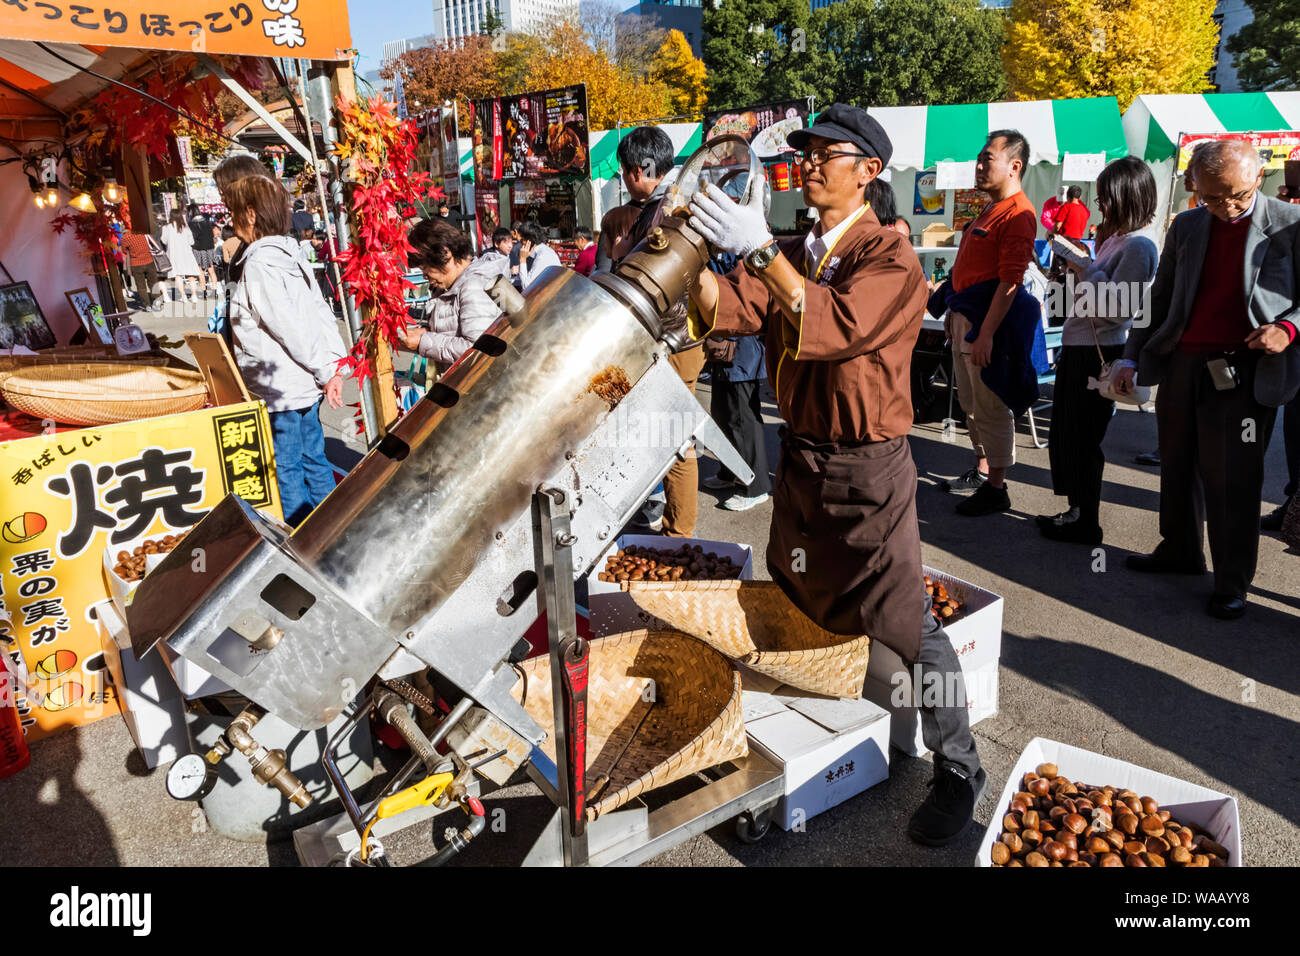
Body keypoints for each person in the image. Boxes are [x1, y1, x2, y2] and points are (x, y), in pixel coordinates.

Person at [686, 103, 984, 845]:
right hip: (805, 460)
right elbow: (729, 307)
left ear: (869, 171)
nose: (810, 162)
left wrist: (758, 250)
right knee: (796, 588)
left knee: (905, 618)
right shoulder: (796, 246)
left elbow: (833, 324)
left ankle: (959, 767)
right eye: (807, 151)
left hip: (867, 468)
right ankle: (810, 722)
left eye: (829, 152)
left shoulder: (891, 258)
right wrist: (686, 249)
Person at [1114, 139, 1300, 619]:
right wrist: (1131, 356)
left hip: (1244, 370)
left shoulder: (1289, 224)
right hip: (1183, 363)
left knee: (1233, 480)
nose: (1224, 207)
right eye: (1210, 196)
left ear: (1259, 176)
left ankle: (1232, 580)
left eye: (1234, 195)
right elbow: (1161, 297)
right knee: (1176, 464)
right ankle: (1179, 550)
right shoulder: (1189, 224)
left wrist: (1288, 327)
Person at [1037, 157, 1160, 545]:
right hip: (1082, 347)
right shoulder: (1118, 240)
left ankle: (1086, 520)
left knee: (1083, 438)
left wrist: (1084, 266)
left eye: (1106, 195)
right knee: (1068, 435)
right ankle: (1077, 512)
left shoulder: (1139, 246)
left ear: (1125, 196)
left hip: (1098, 351)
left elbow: (1119, 307)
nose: (1100, 202)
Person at [224, 175, 346, 526]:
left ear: (249, 214)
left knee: (290, 467)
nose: (232, 221)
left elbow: (290, 327)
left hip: (282, 388)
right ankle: (333, 528)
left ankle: (306, 536)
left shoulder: (260, 263)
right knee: (314, 459)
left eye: (234, 212)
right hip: (304, 382)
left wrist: (328, 371)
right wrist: (333, 368)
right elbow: (318, 313)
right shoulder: (291, 253)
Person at [604, 124, 707, 538]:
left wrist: (621, 253)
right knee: (659, 436)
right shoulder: (663, 204)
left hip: (673, 341)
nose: (626, 180)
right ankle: (665, 522)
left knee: (676, 443)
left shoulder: (673, 208)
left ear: (640, 169)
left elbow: (654, 272)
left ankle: (679, 534)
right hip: (664, 340)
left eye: (627, 171)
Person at [936, 130, 1039, 516]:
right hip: (966, 317)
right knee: (970, 404)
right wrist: (952, 312)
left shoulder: (1019, 213)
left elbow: (1010, 280)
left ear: (1014, 166)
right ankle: (982, 472)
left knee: (990, 405)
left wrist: (986, 334)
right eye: (979, 158)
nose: (979, 166)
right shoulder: (988, 209)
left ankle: (997, 488)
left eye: (987, 159)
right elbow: (969, 272)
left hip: (986, 324)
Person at [701, 252, 770, 511]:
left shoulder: (745, 253)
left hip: (744, 349)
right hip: (726, 348)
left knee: (743, 420)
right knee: (723, 414)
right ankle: (730, 472)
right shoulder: (721, 253)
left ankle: (756, 485)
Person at [402, 217, 502, 373]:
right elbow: (453, 329)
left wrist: (424, 342)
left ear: (444, 253)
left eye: (425, 269)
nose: (425, 277)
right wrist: (426, 332)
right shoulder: (450, 287)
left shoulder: (474, 286)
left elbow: (478, 350)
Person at [160, 209, 202, 303]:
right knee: (191, 276)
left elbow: (164, 240)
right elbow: (192, 242)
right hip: (187, 254)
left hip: (174, 255)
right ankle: (194, 296)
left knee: (178, 275)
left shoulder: (166, 227)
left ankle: (183, 296)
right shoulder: (185, 227)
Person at [122, 228, 161, 311]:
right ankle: (157, 302)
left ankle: (147, 305)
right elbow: (153, 242)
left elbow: (124, 251)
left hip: (136, 264)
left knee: (141, 286)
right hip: (149, 260)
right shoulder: (143, 232)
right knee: (153, 283)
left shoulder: (125, 237)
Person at [517, 221, 562, 292]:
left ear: (529, 241)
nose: (521, 244)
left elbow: (526, 286)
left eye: (522, 240)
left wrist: (522, 259)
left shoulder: (542, 256)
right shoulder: (545, 250)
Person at [188, 203, 219, 295]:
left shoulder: (191, 224)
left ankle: (204, 292)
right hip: (209, 248)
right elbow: (211, 235)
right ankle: (215, 291)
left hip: (198, 250)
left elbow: (192, 238)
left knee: (200, 272)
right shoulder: (207, 221)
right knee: (211, 271)